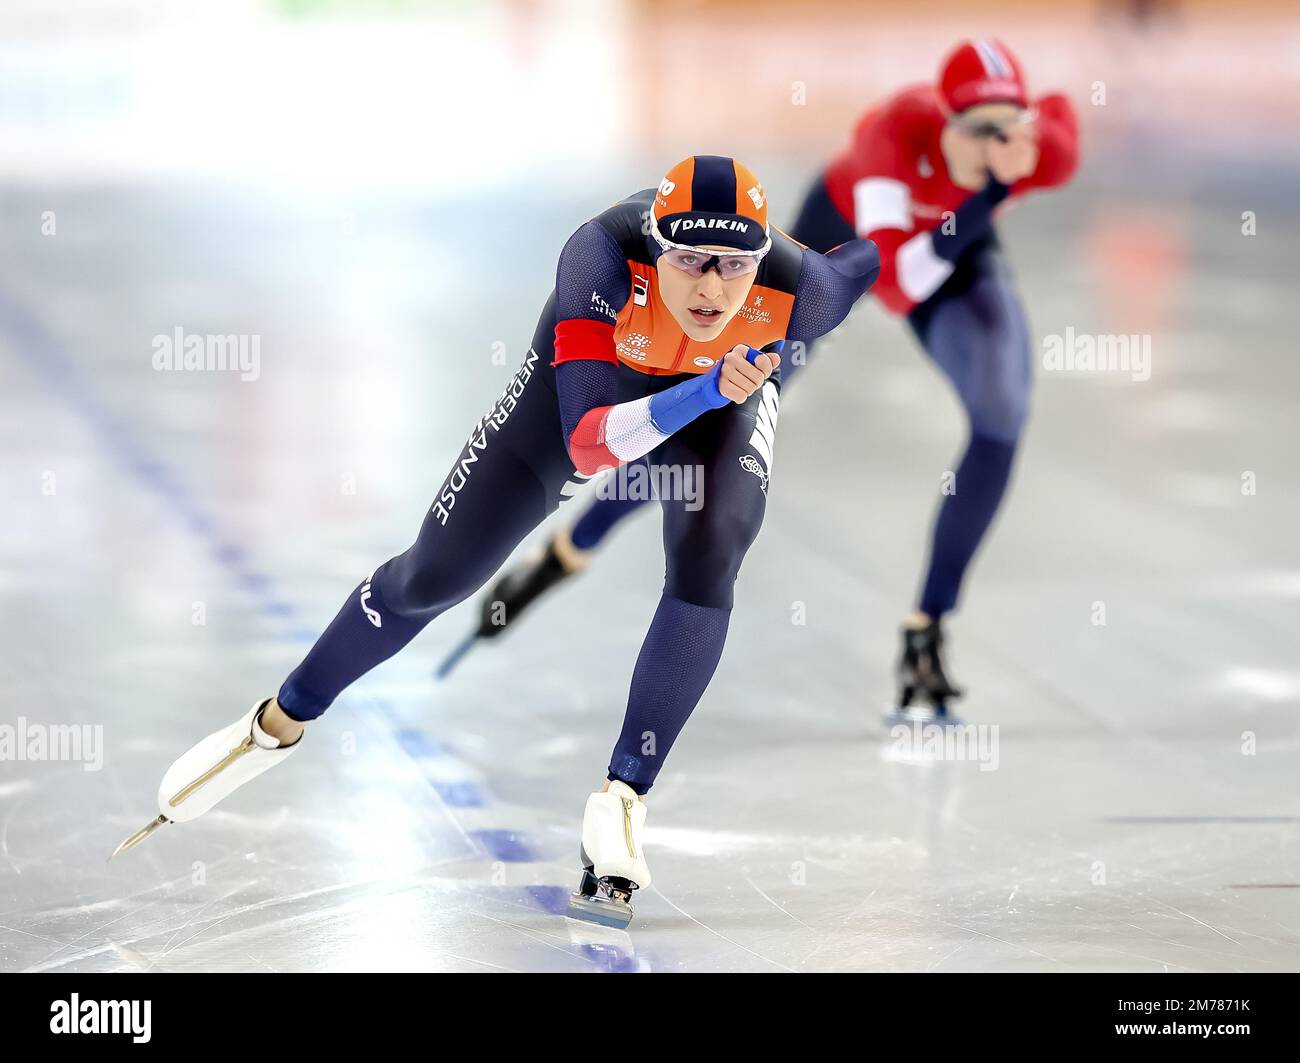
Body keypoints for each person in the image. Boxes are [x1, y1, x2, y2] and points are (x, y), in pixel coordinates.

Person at [113, 156, 880, 928]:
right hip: (587, 401)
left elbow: (863, 257)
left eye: (734, 266)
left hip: (721, 405)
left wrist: (924, 213)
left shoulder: (804, 291)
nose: (712, 290)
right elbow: (587, 446)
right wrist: (712, 384)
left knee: (712, 555)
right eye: (688, 262)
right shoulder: (601, 256)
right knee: (434, 577)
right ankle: (277, 720)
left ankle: (623, 796)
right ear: (655, 246)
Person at [459, 39, 1079, 723]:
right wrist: (994, 187)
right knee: (714, 410)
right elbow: (900, 283)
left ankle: (926, 627)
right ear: (943, 121)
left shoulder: (1043, 146)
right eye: (978, 131)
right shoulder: (895, 136)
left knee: (1003, 414)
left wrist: (993, 187)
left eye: (1009, 129)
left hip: (955, 243)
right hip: (847, 239)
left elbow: (975, 219)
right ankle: (572, 546)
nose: (996, 145)